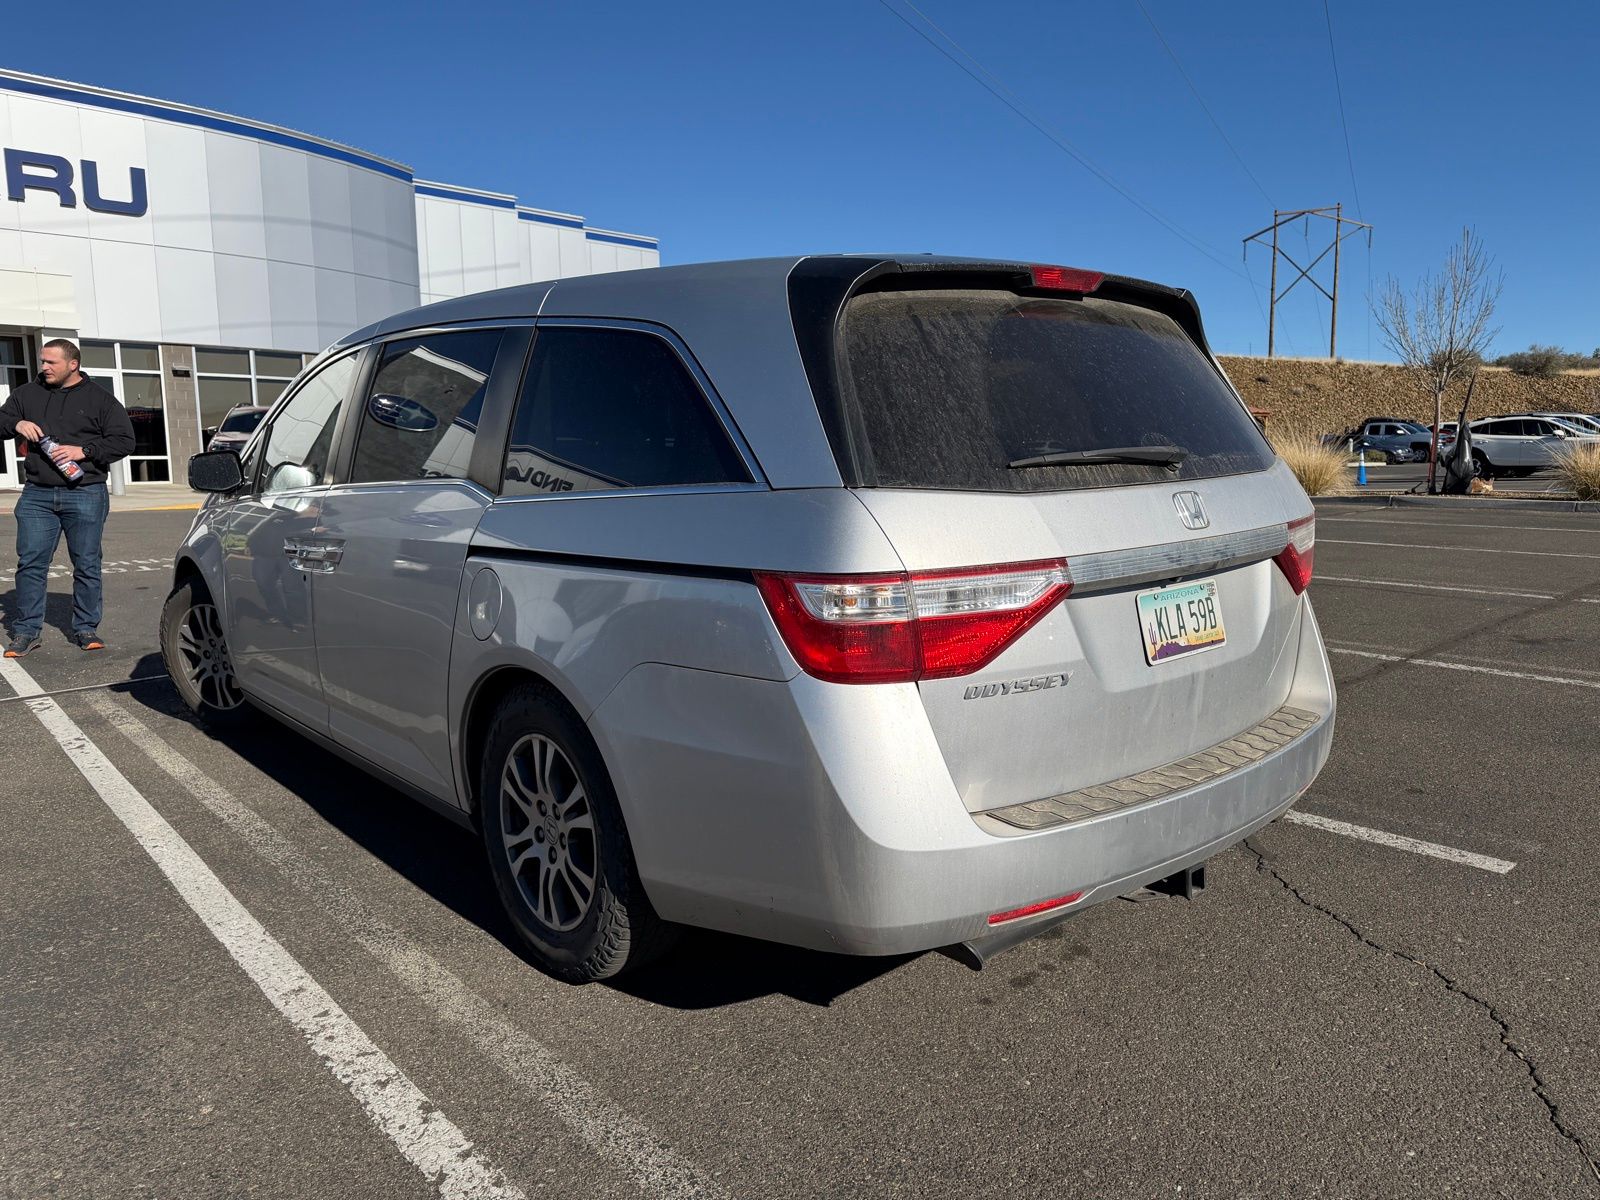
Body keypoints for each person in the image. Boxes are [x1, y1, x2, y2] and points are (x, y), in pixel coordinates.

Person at [0, 339, 136, 657]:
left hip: (86, 492)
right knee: (31, 563)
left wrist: (84, 450)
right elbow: (0, 422)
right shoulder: (26, 395)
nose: (43, 367)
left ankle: (86, 628)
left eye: (51, 362)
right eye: (42, 361)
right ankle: (27, 631)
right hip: (37, 494)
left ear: (72, 364)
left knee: (87, 564)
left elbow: (124, 440)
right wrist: (15, 423)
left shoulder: (100, 400)